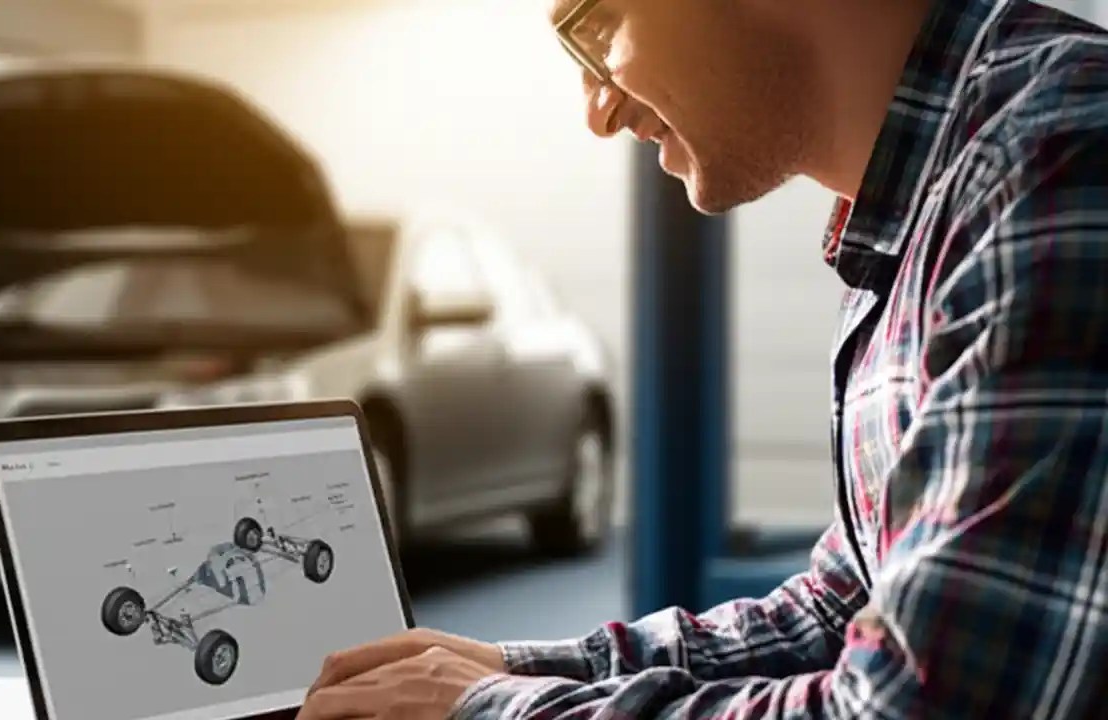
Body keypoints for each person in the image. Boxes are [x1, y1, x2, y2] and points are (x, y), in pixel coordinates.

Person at [299, 0, 1108, 716]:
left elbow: (924, 702)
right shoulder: (924, 204)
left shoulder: (1056, 165)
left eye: (598, 26)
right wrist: (505, 670)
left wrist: (488, 711)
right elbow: (839, 610)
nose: (598, 112)